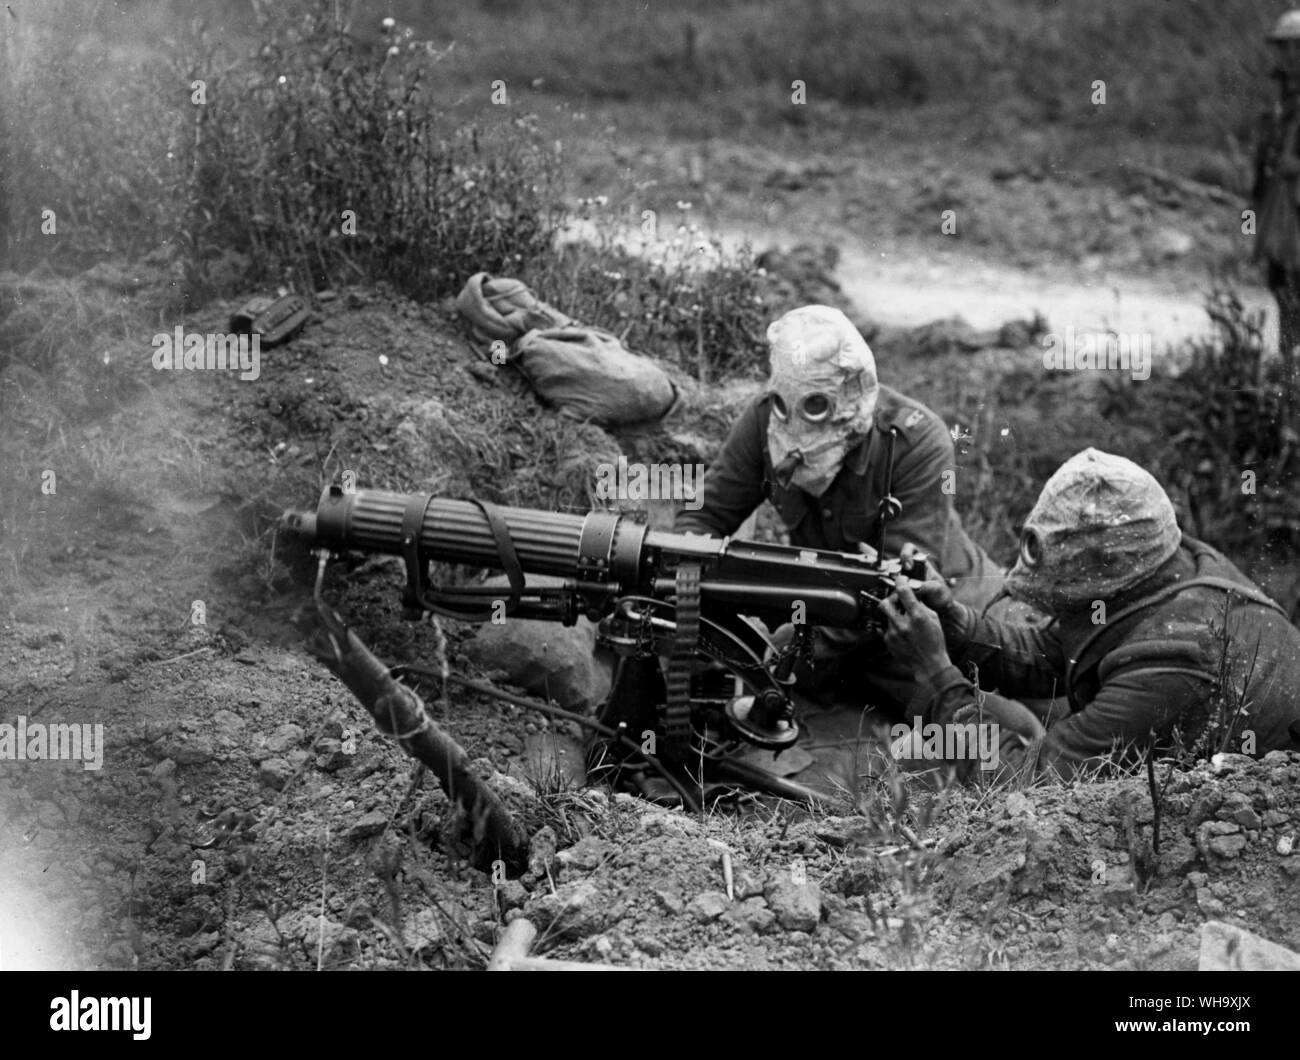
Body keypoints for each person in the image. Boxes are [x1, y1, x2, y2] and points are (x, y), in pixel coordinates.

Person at [879, 448, 1300, 779]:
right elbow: (1057, 653)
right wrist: (955, 625)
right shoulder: (1166, 561)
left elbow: (1021, 782)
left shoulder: (1175, 658)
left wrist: (936, 674)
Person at [674, 303, 1005, 716]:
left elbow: (901, 592)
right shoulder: (764, 419)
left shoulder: (917, 442)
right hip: (825, 630)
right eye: (784, 403)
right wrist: (693, 602)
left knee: (996, 736)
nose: (794, 424)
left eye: (816, 406)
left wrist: (776, 648)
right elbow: (704, 516)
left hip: (932, 632)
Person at [1252, 10, 1300, 364]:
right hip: (1280, 205)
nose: (1288, 55)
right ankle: (1289, 359)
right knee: (1280, 282)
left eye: (1294, 47)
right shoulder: (1282, 97)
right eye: (1283, 47)